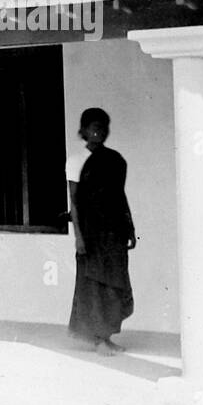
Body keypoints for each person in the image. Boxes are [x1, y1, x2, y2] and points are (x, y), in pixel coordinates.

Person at [67, 107, 136, 355]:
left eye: (103, 126)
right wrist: (78, 237)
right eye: (93, 126)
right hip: (90, 233)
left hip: (113, 231)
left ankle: (107, 336)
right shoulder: (76, 160)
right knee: (95, 286)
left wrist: (129, 227)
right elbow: (74, 202)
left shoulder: (115, 160)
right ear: (83, 130)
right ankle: (98, 340)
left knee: (114, 284)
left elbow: (119, 195)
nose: (99, 131)